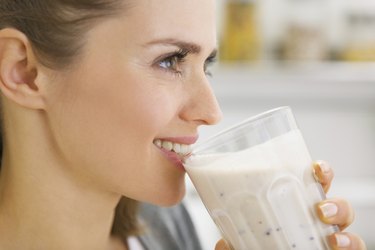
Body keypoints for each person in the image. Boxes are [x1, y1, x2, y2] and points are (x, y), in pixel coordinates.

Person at [0, 0, 366, 249]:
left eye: (206, 66)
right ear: (24, 72)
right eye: (170, 61)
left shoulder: (168, 228)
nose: (211, 111)